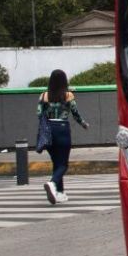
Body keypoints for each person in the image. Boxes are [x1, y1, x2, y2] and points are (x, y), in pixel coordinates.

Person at [37, 69, 89, 204]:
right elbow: (75, 113)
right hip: (62, 130)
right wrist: (83, 124)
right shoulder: (68, 95)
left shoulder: (43, 96)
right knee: (64, 164)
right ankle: (53, 183)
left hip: (48, 130)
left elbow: (38, 113)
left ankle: (59, 193)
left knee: (57, 163)